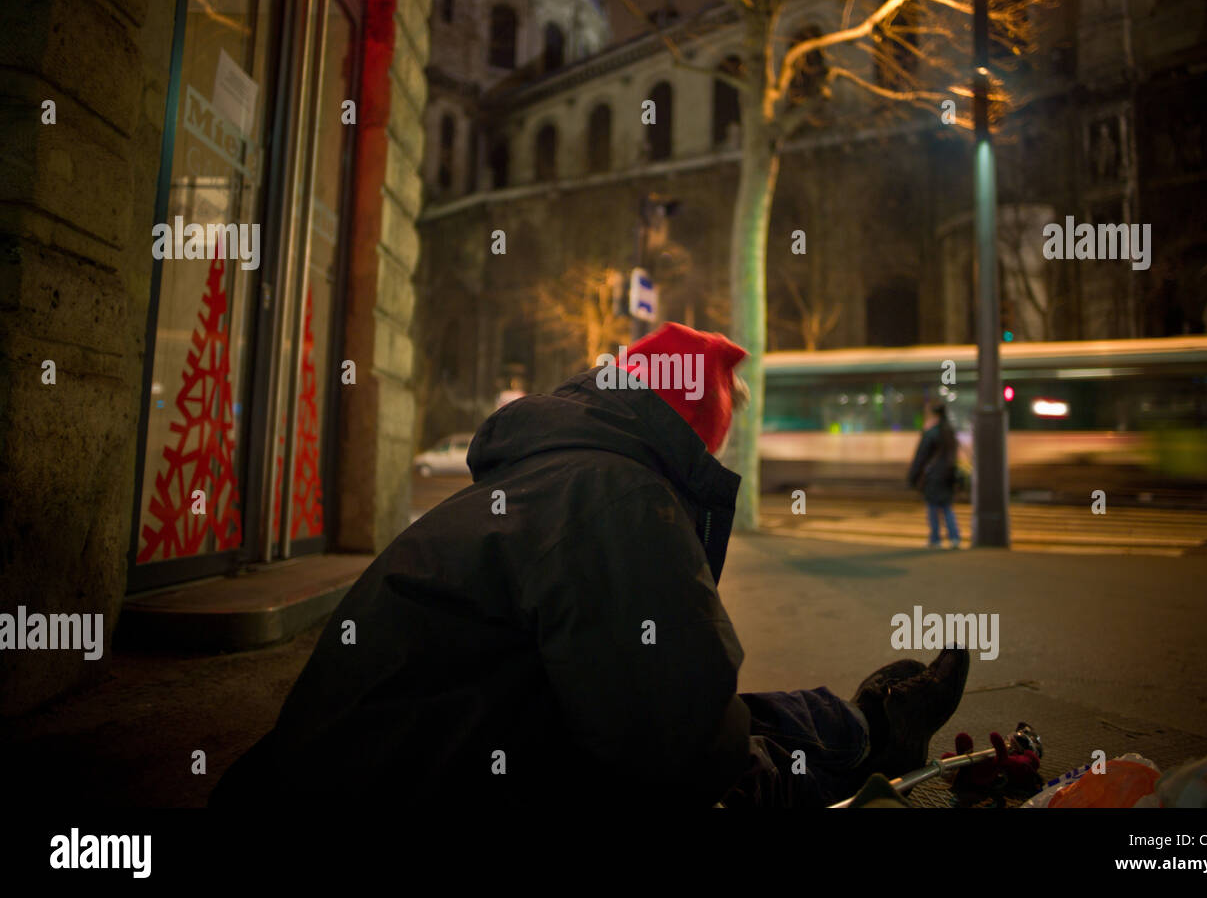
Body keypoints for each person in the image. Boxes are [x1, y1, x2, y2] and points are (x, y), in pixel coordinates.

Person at [211, 322, 969, 809]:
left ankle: (856, 719)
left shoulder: (540, 476)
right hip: (422, 782)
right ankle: (871, 735)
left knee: (741, 719)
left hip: (351, 772)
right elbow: (684, 754)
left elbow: (653, 701)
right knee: (743, 758)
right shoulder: (618, 498)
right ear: (687, 433)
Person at [908, 402, 961, 550]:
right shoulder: (950, 432)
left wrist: (912, 477)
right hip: (949, 474)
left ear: (934, 415)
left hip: (934, 476)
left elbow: (921, 457)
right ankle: (954, 538)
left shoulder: (931, 433)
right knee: (947, 507)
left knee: (932, 507)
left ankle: (935, 539)